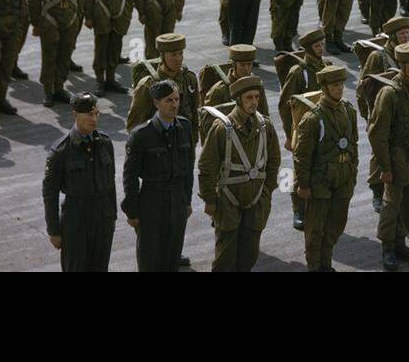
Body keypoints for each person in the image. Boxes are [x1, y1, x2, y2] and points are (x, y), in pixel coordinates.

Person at [197, 75, 280, 272]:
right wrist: (210, 199)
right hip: (227, 200)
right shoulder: (221, 129)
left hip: (257, 198)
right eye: (249, 97)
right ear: (239, 100)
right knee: (225, 258)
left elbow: (274, 160)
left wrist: (267, 190)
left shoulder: (265, 126)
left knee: (249, 255)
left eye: (256, 97)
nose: (253, 102)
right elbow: (206, 167)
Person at [369, 40, 409, 271]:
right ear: (402, 65)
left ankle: (400, 242)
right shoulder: (389, 94)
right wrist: (385, 167)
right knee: (392, 204)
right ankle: (387, 247)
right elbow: (377, 134)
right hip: (397, 160)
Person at [122, 79, 195, 271]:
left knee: (172, 256)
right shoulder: (141, 135)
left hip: (177, 200)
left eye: (176, 99)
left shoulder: (185, 127)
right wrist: (132, 211)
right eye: (168, 100)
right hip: (152, 201)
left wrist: (187, 200)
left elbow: (188, 169)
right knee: (150, 258)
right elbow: (130, 177)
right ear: (156, 103)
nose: (174, 104)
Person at [42, 92, 117, 271]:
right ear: (75, 115)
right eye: (89, 114)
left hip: (102, 218)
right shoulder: (61, 151)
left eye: (96, 114)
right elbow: (50, 193)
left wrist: (111, 216)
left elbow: (110, 183)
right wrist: (53, 230)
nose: (94, 119)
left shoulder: (104, 143)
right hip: (76, 219)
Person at [293, 64, 357, 271]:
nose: (339, 88)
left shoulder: (348, 111)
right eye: (335, 85)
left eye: (341, 84)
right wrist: (302, 185)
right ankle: (314, 267)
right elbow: (301, 156)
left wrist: (352, 173)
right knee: (315, 229)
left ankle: (326, 265)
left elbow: (353, 144)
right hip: (320, 180)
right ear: (325, 88)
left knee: (336, 225)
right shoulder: (313, 118)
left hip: (343, 178)